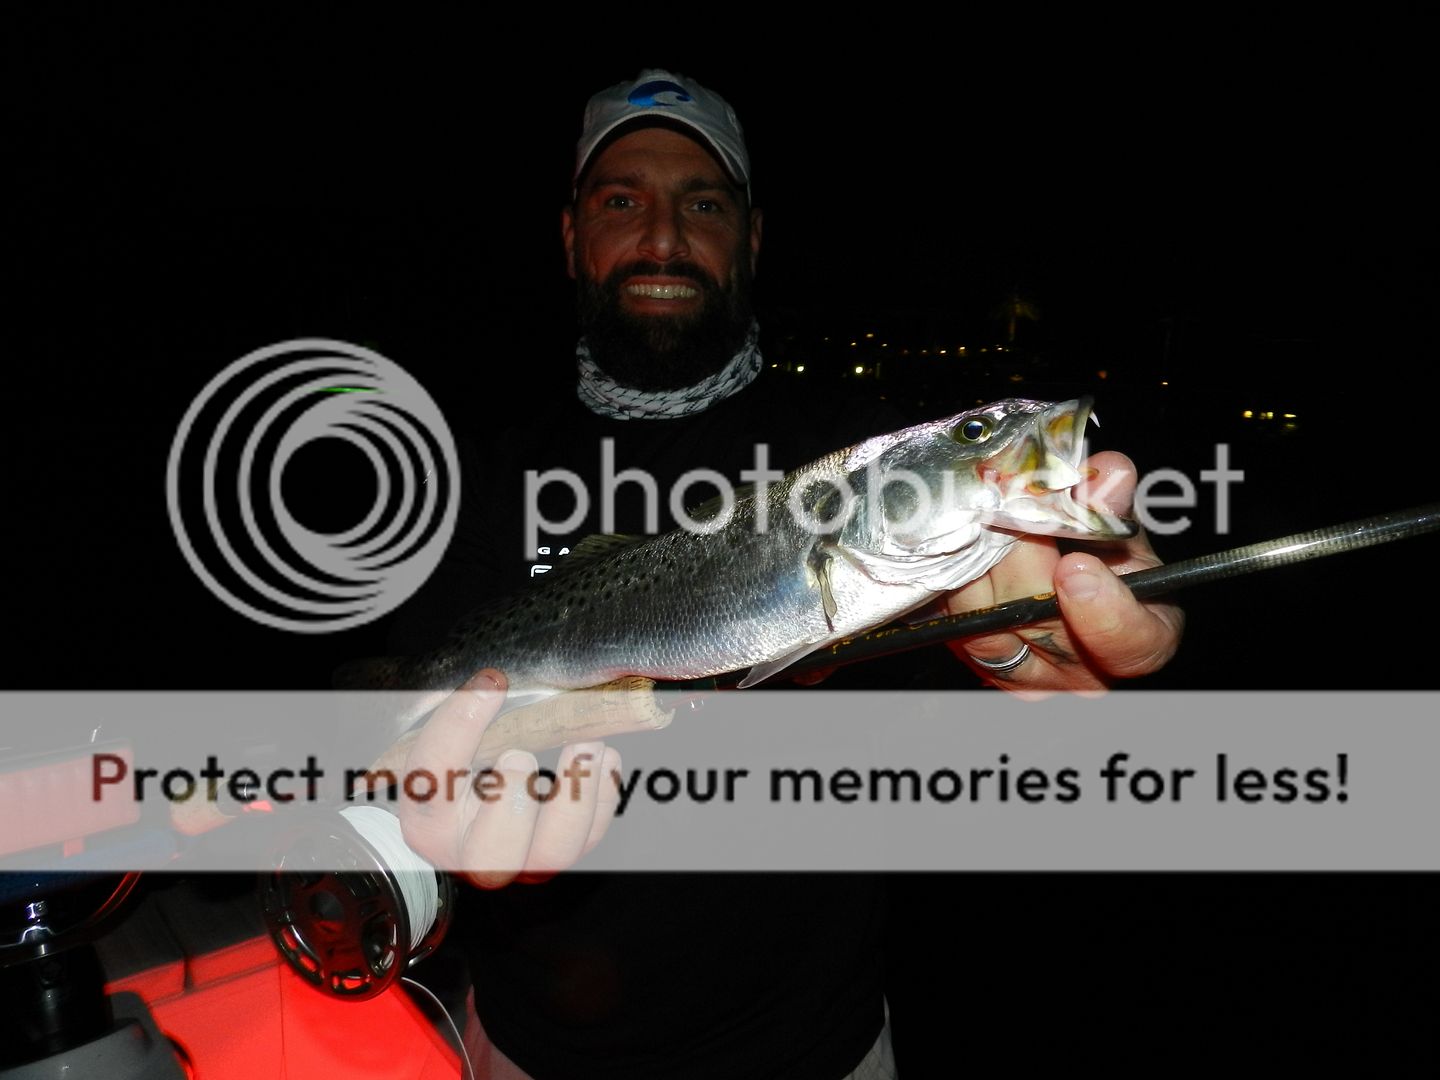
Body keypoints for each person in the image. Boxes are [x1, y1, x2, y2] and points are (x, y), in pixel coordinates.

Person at [381, 68, 1184, 1079]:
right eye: (622, 199)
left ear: (752, 240)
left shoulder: (845, 447)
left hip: (820, 1048)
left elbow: (948, 703)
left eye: (703, 203)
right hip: (533, 1048)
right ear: (570, 235)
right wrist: (413, 824)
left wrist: (1043, 657)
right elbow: (420, 722)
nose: (663, 237)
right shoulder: (476, 472)